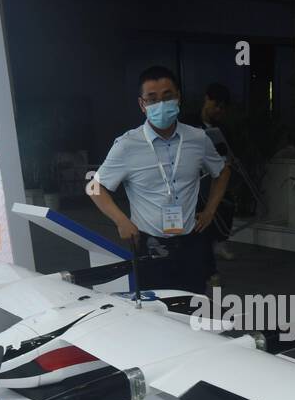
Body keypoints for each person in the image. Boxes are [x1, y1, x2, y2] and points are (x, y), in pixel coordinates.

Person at [91, 66, 230, 294]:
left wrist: (211, 211)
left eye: (167, 96)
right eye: (152, 99)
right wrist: (121, 220)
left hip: (191, 242)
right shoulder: (127, 145)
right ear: (142, 105)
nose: (161, 104)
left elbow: (223, 171)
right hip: (149, 244)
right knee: (156, 312)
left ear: (178, 98)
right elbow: (95, 187)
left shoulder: (197, 139)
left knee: (193, 305)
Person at [198, 83, 237, 264]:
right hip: (195, 178)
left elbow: (228, 156)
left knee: (226, 203)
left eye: (222, 108)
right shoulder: (189, 124)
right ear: (207, 99)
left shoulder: (224, 129)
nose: (218, 111)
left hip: (215, 174)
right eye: (216, 105)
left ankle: (220, 242)